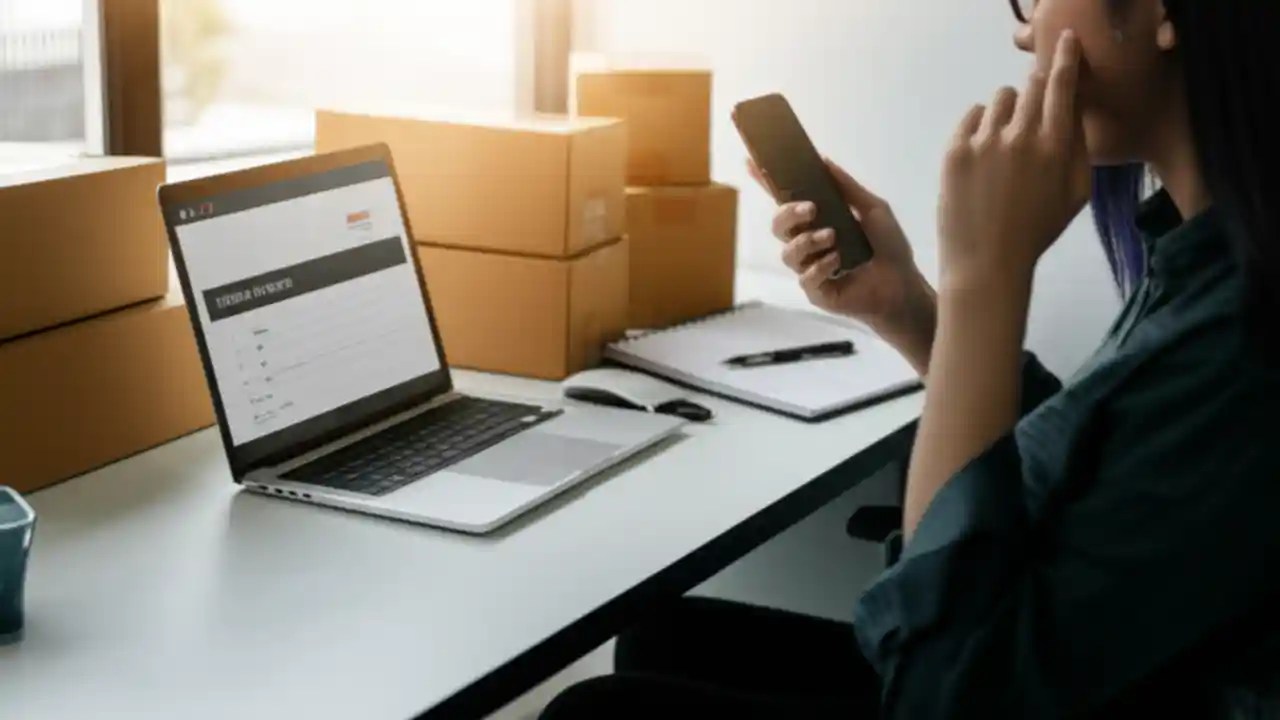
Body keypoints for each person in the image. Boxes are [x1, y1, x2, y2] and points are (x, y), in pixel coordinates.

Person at [541, 0, 1280, 717]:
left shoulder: (1241, 338)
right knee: (666, 635)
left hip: (987, 678)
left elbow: (938, 687)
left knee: (593, 711)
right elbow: (1105, 463)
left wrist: (986, 279)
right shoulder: (1202, 261)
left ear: (1162, 12)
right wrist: (913, 311)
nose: (1025, 35)